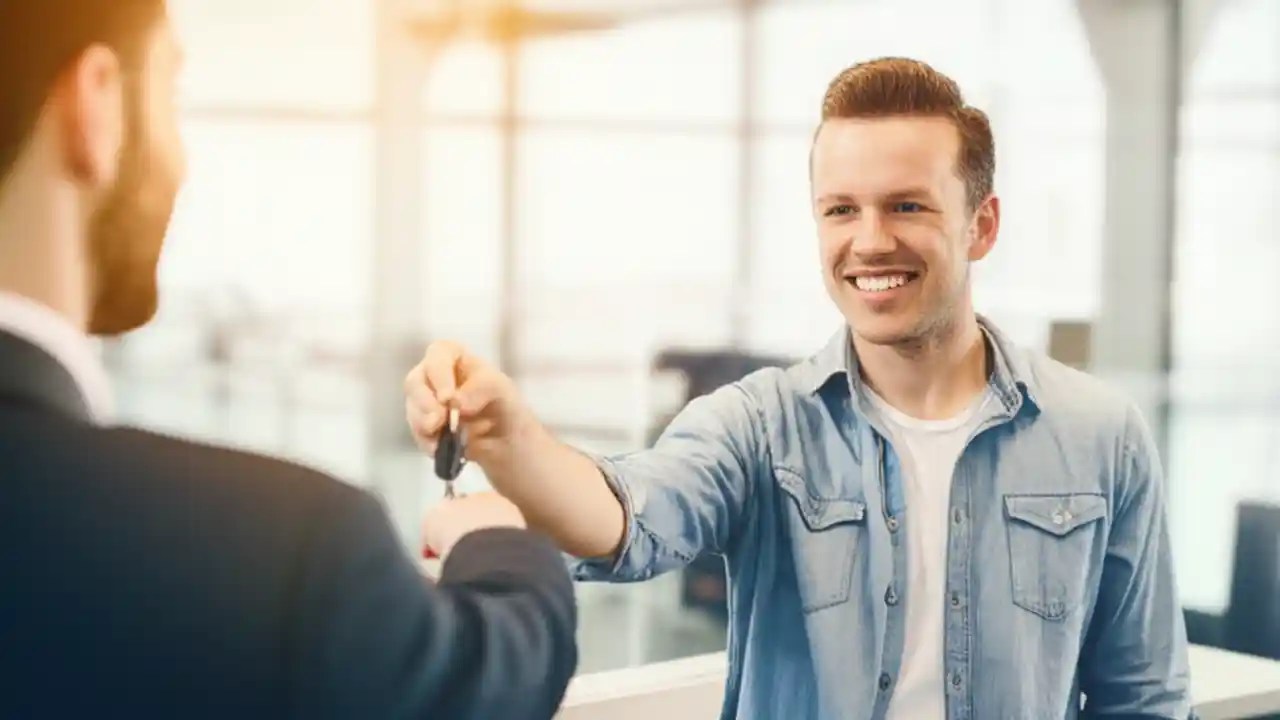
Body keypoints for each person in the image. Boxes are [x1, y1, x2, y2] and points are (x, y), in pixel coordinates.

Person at [405, 58, 1194, 719]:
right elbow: (625, 519)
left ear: (980, 225)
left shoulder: (1100, 434)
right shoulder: (761, 425)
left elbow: (1141, 698)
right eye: (840, 209)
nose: (869, 240)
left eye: (907, 206)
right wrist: (512, 443)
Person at [0, 2, 576, 717]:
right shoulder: (283, 559)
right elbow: (492, 678)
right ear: (97, 104)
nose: (182, 159)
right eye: (170, 98)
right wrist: (495, 543)